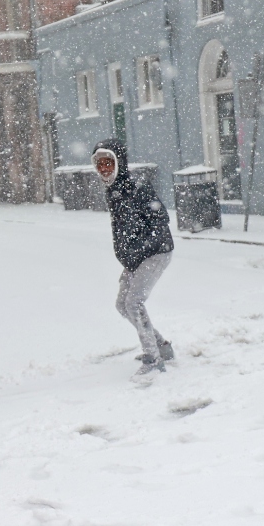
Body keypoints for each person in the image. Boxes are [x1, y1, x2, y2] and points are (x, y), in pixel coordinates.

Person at [93, 139, 174, 376]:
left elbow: (161, 221)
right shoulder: (114, 191)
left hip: (156, 253)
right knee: (122, 304)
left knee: (133, 302)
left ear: (119, 163)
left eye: (109, 163)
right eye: (100, 165)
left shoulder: (138, 188)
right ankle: (161, 346)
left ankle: (153, 358)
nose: (105, 169)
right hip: (136, 258)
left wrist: (141, 248)